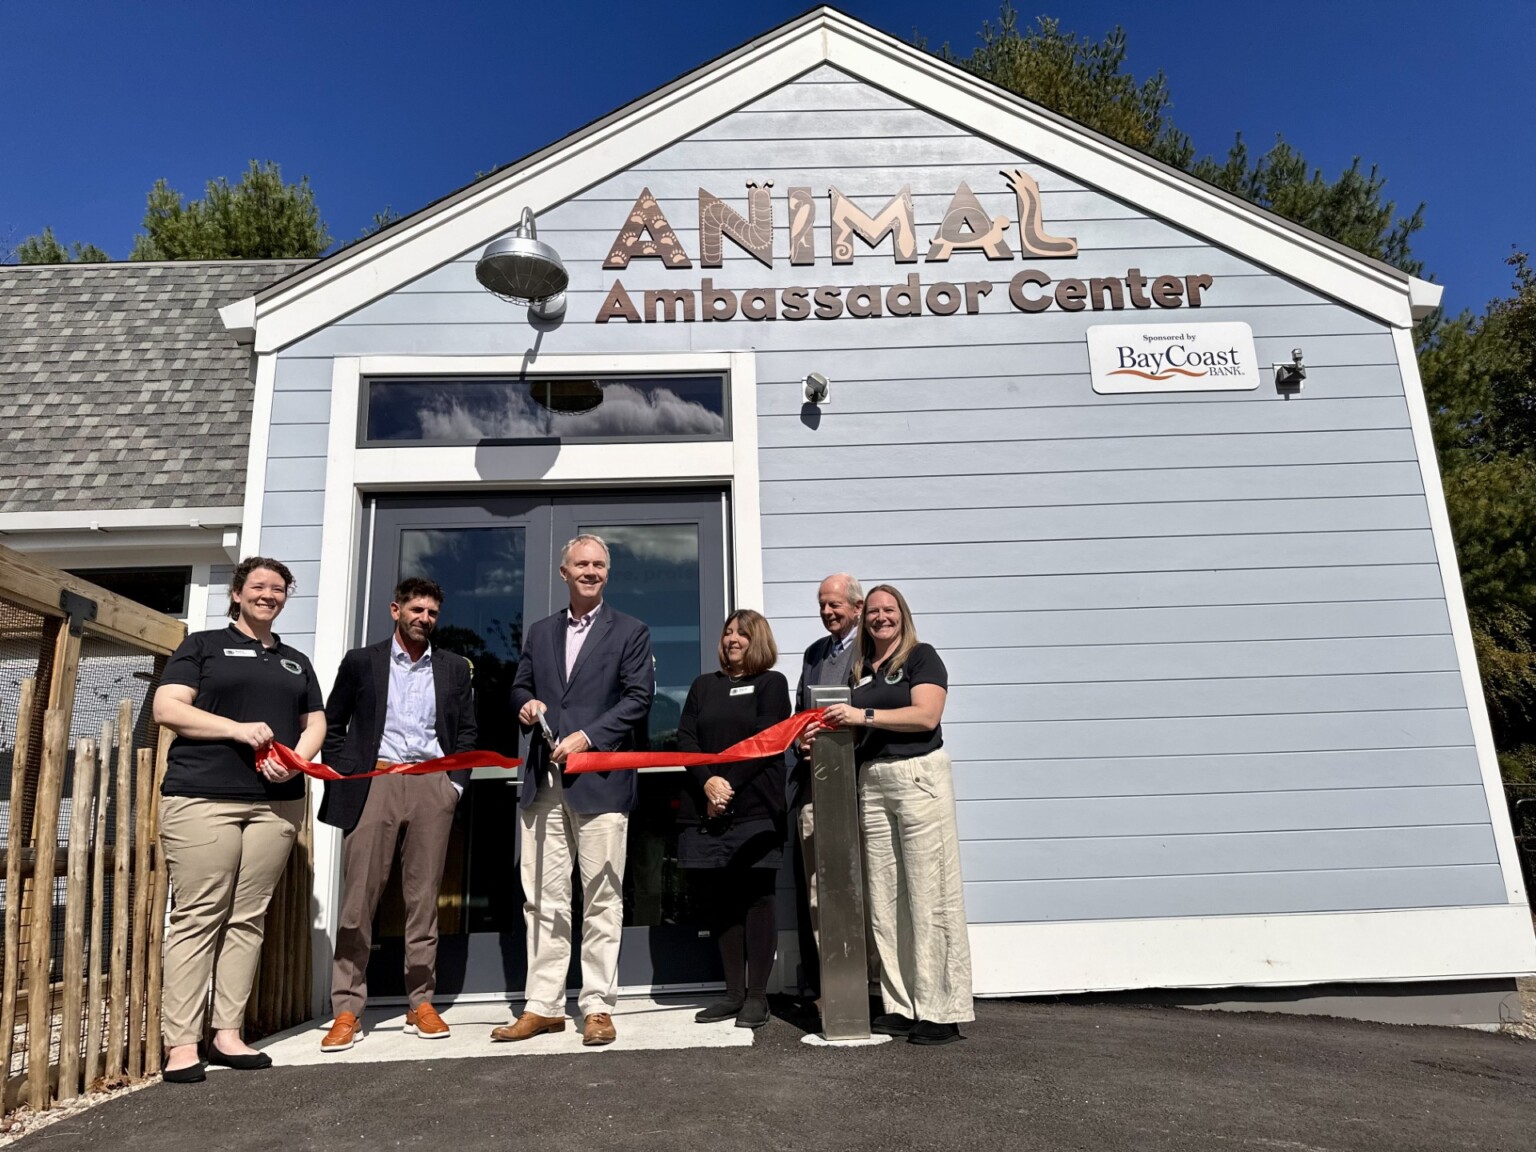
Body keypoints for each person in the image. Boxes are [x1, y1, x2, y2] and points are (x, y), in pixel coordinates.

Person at [151, 557, 326, 1082]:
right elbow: (167, 707)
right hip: (205, 797)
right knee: (200, 914)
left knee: (248, 918)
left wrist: (292, 758)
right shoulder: (201, 646)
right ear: (236, 593)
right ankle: (182, 1042)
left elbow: (314, 722)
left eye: (278, 589)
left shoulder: (296, 662)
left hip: (277, 803)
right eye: (258, 587)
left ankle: (228, 1034)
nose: (268, 595)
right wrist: (236, 729)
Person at [492, 534, 654, 1047]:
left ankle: (598, 1005)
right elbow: (520, 685)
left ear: (607, 573)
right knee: (542, 898)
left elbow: (638, 698)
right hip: (543, 782)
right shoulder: (539, 633)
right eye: (581, 563)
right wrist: (525, 705)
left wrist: (589, 737)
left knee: (603, 896)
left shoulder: (631, 630)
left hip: (601, 783)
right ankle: (541, 1005)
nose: (591, 571)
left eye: (599, 564)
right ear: (563, 572)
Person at [317, 577, 478, 1053]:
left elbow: (467, 732)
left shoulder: (453, 669)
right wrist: (349, 773)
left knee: (424, 900)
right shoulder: (361, 662)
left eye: (432, 612)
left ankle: (420, 1002)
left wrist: (453, 786)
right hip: (376, 782)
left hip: (433, 785)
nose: (424, 618)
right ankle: (346, 1009)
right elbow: (334, 723)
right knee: (358, 900)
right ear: (395, 610)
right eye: (417, 610)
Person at [810, 584, 973, 1046]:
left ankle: (942, 1011)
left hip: (918, 777)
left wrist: (862, 717)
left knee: (931, 895)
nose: (881, 617)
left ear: (902, 615)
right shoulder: (863, 669)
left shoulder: (922, 657)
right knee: (885, 900)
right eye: (875, 612)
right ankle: (900, 1004)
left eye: (889, 610)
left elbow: (925, 716)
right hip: (874, 781)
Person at [677, 611, 792, 1029]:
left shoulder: (771, 684)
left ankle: (757, 997)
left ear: (757, 640)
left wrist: (725, 786)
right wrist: (708, 784)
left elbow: (767, 741)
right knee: (721, 901)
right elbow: (685, 739)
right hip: (707, 809)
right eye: (727, 632)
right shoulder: (703, 686)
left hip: (755, 806)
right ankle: (732, 993)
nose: (732, 639)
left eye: (742, 633)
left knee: (757, 898)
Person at [790, 574, 864, 992]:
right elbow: (801, 708)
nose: (827, 612)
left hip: (857, 787)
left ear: (857, 607)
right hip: (815, 788)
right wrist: (800, 737)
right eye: (822, 605)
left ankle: (870, 986)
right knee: (821, 889)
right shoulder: (814, 653)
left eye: (835, 604)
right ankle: (834, 986)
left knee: (863, 887)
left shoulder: (870, 649)